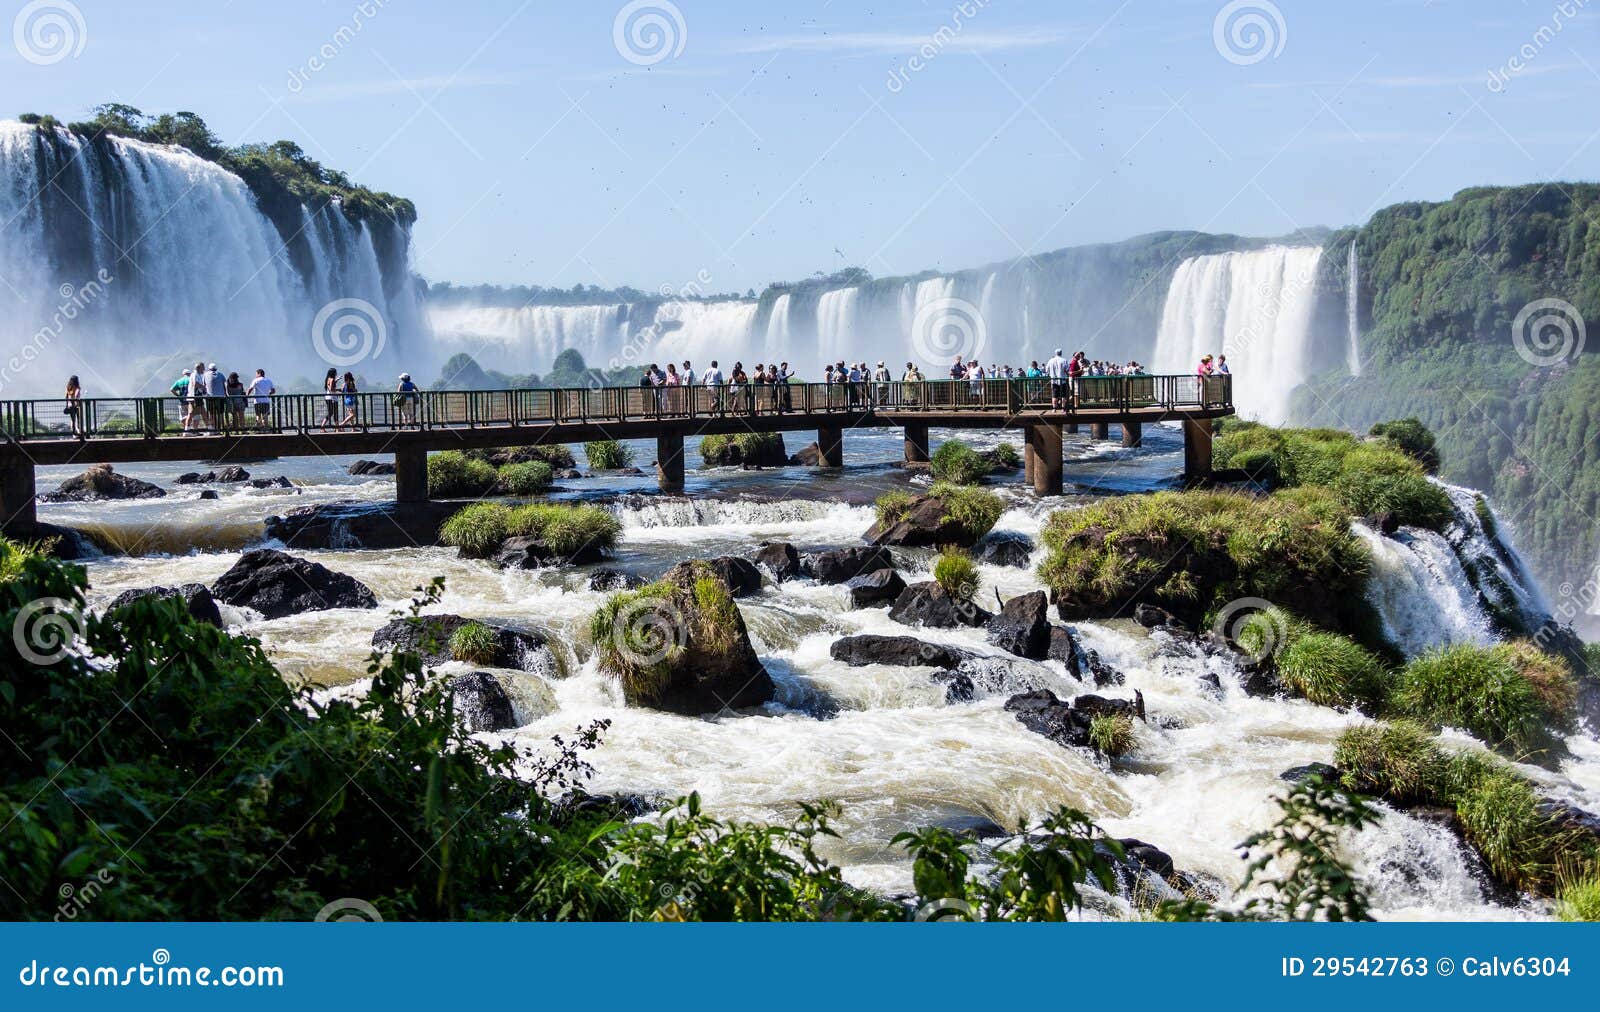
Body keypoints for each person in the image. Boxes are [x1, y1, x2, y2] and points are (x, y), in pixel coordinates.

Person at [206, 363, 227, 431]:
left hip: (210, 398)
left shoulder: (206, 375)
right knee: (221, 413)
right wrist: (225, 393)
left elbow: (204, 385)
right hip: (220, 397)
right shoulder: (221, 375)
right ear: (216, 368)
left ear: (209, 369)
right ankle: (222, 428)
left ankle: (214, 428)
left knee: (212, 413)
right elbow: (224, 385)